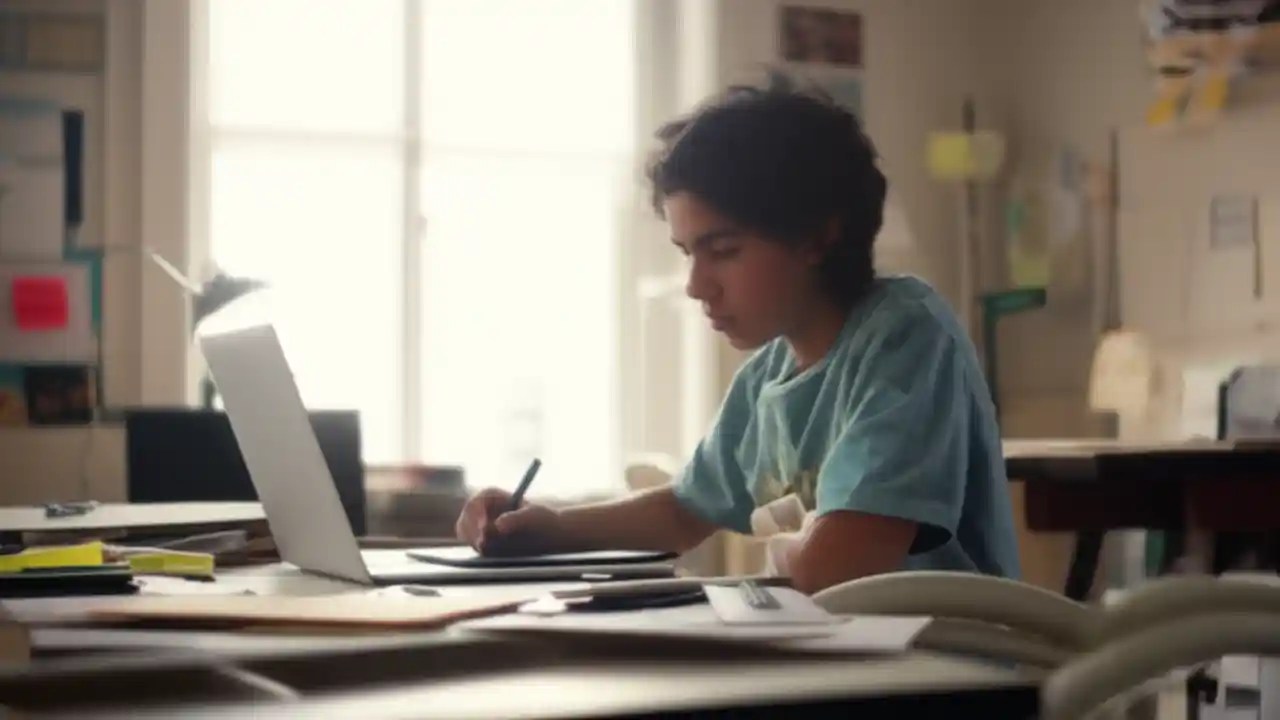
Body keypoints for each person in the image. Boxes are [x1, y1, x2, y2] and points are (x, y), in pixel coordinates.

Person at [456, 84, 1021, 594]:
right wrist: (550, 528)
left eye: (723, 251)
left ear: (817, 235)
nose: (697, 286)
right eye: (687, 254)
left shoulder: (904, 335)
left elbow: (834, 567)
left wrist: (777, 549)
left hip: (949, 665)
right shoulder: (767, 376)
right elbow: (684, 512)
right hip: (838, 662)